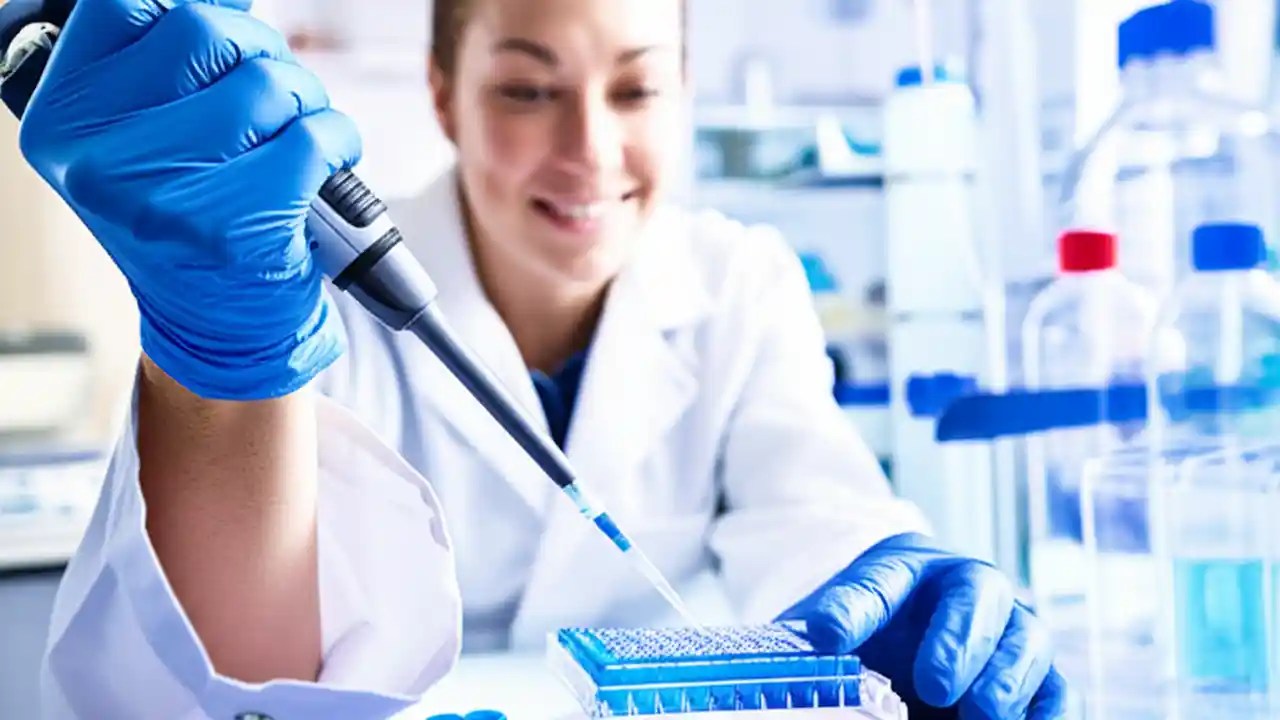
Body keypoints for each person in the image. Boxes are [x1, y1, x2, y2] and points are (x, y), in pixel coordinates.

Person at [19, 0, 1067, 717]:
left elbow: (812, 514)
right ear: (443, 98)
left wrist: (886, 575)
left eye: (636, 91)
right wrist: (223, 374)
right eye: (527, 92)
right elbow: (213, 686)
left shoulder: (738, 278)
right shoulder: (289, 287)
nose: (590, 152)